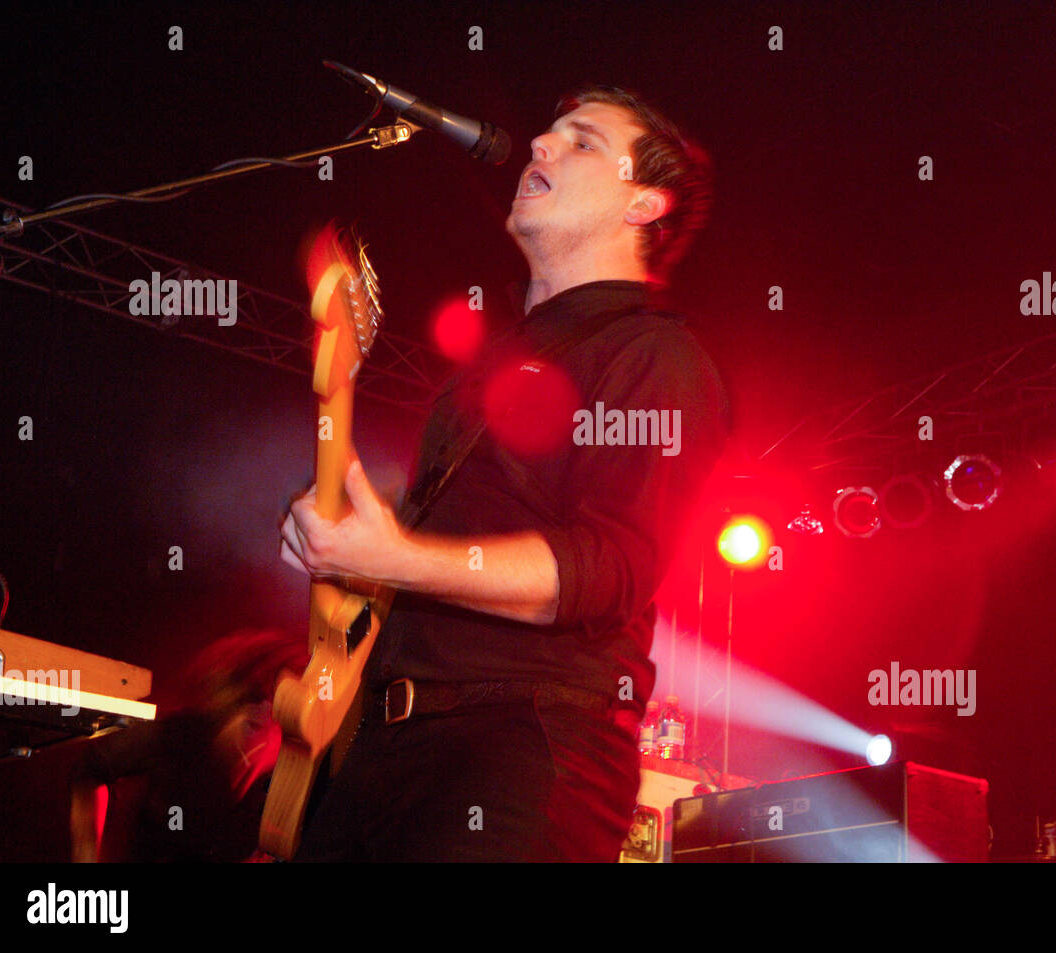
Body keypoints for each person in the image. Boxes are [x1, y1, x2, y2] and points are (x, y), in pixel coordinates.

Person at [279, 85, 729, 861]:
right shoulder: (488, 372)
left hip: (521, 745)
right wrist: (352, 540)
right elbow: (423, 561)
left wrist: (395, 557)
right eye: (547, 135)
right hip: (380, 746)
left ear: (645, 206)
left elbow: (612, 563)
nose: (540, 147)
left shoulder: (656, 357)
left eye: (583, 141)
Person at [69, 628, 306, 862]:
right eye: (256, 725)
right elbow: (92, 765)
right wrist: (86, 854)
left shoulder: (276, 779)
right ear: (240, 707)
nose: (266, 743)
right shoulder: (177, 736)